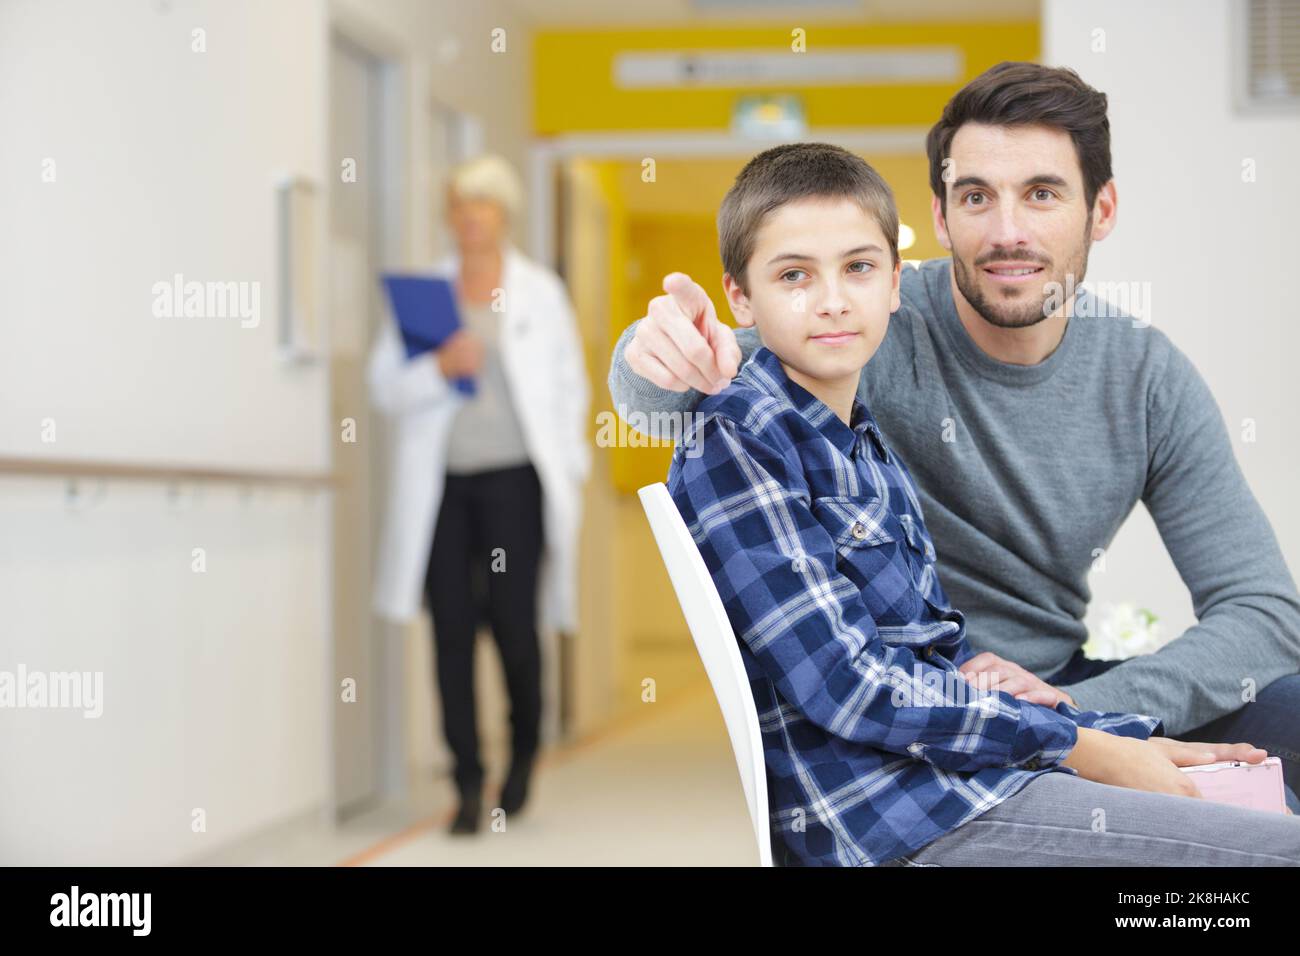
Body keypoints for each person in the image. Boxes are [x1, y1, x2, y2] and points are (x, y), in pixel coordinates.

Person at [610, 62, 1300, 815]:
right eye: (976, 197)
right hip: (918, 703)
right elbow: (694, 383)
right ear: (940, 217)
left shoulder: (1147, 378)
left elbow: (1262, 611)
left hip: (1064, 685)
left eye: (1042, 193)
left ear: (1100, 210)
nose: (1007, 233)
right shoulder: (868, 320)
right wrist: (649, 351)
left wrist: (1091, 712)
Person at [368, 154, 591, 834]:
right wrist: (437, 368)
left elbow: (569, 388)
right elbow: (384, 387)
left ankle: (521, 757)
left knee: (516, 627)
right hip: (443, 490)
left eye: (482, 204)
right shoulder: (425, 294)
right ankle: (466, 780)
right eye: (460, 205)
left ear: (503, 214)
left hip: (515, 482)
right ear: (450, 215)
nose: (470, 217)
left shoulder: (539, 292)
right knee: (452, 632)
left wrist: (571, 467)